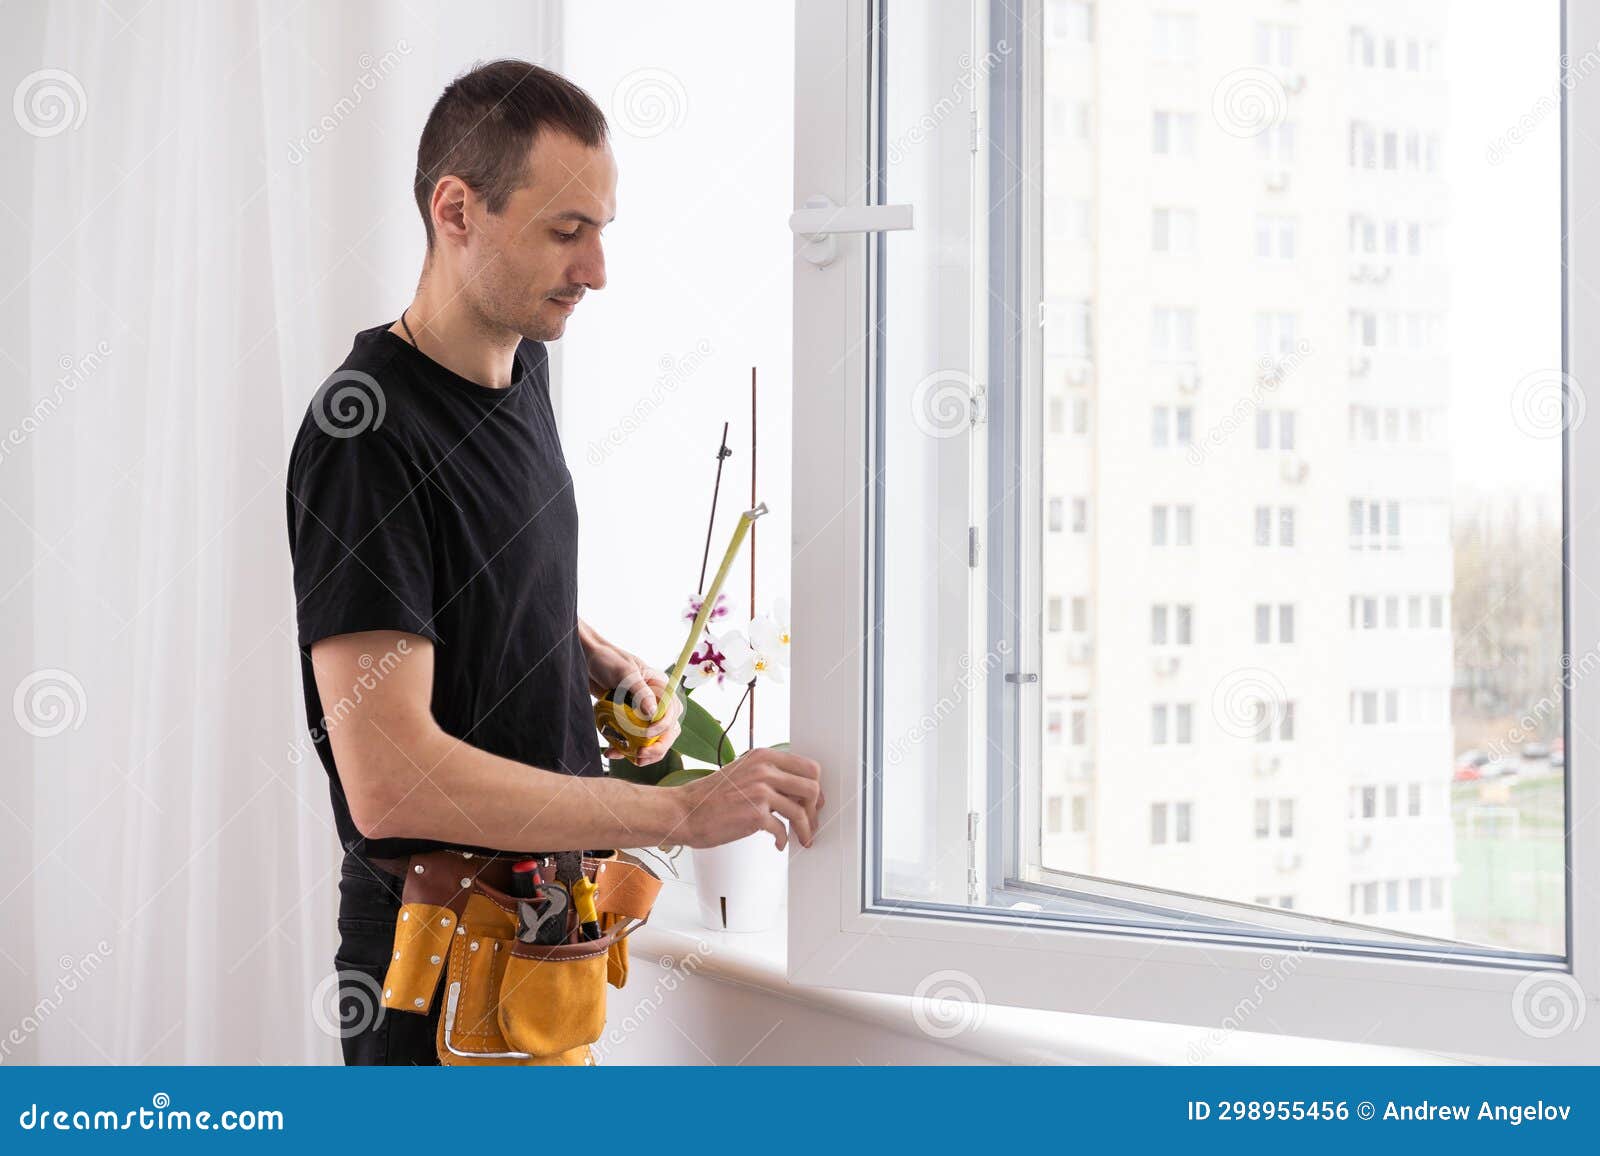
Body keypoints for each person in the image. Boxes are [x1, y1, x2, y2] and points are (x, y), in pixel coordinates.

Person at [284, 59, 822, 1065]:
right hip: (435, 970)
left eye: (602, 231)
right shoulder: (364, 433)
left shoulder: (521, 368)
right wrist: (683, 809)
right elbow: (391, 781)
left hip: (542, 942)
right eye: (566, 232)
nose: (596, 269)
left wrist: (592, 658)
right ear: (456, 209)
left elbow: (471, 573)